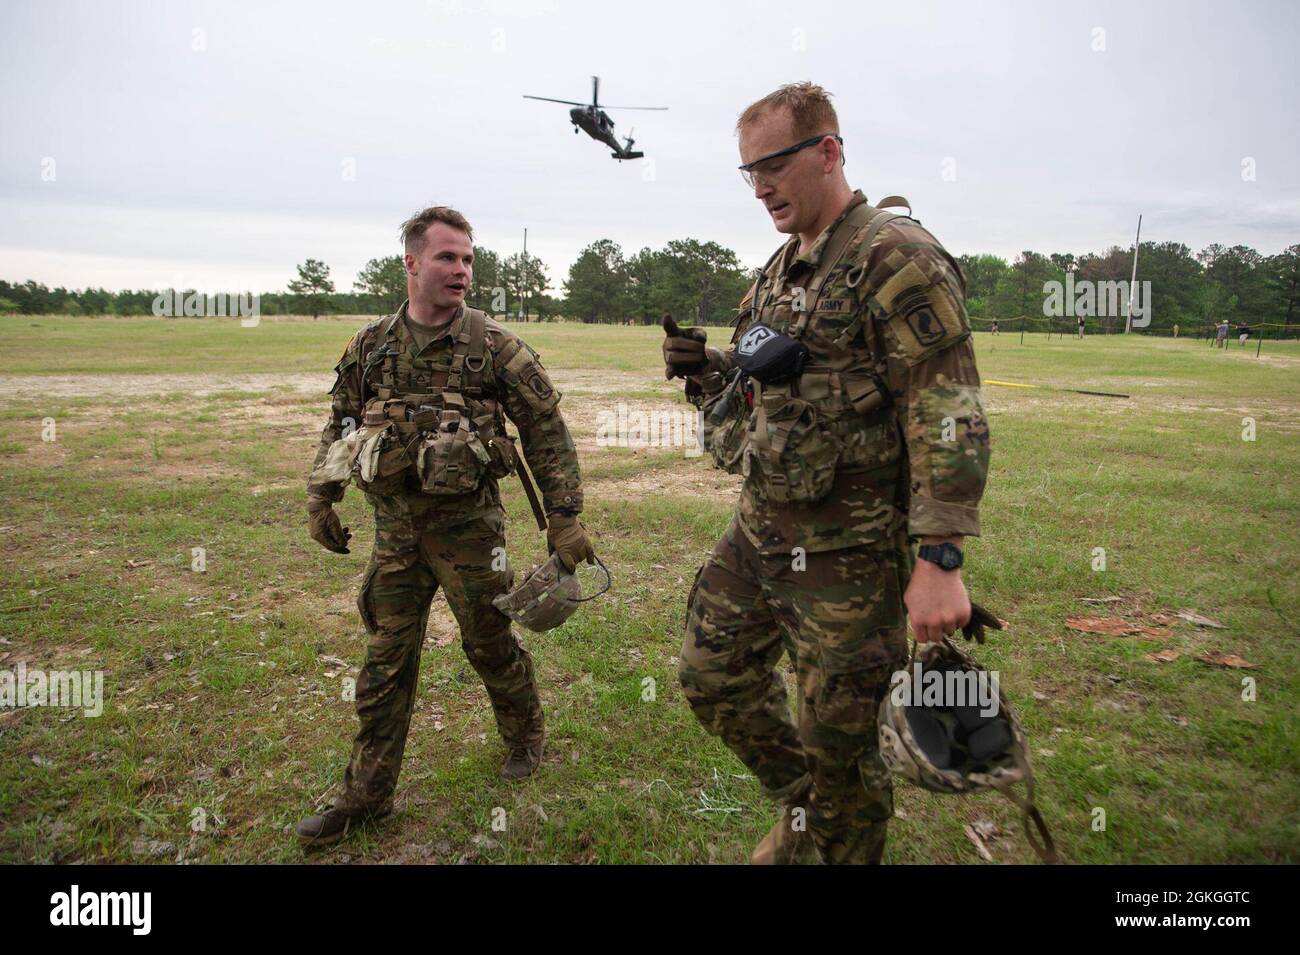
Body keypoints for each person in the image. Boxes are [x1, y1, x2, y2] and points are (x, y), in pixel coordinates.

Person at [665, 83, 990, 864]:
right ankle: (806, 803)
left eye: (773, 165)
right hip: (763, 526)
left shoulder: (896, 257)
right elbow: (776, 381)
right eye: (748, 173)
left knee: (839, 741)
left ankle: (832, 815)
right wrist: (707, 366)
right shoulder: (781, 268)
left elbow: (948, 410)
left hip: (851, 553)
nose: (762, 186)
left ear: (829, 152)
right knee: (711, 674)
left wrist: (939, 559)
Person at [295, 205, 593, 846]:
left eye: (467, 259)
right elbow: (343, 422)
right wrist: (323, 493)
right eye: (447, 258)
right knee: (385, 661)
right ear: (411, 263)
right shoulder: (371, 347)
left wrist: (564, 518)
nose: (461, 271)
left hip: (469, 535)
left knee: (488, 644)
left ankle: (525, 733)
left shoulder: (496, 349)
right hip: (395, 534)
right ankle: (366, 795)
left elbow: (547, 433)